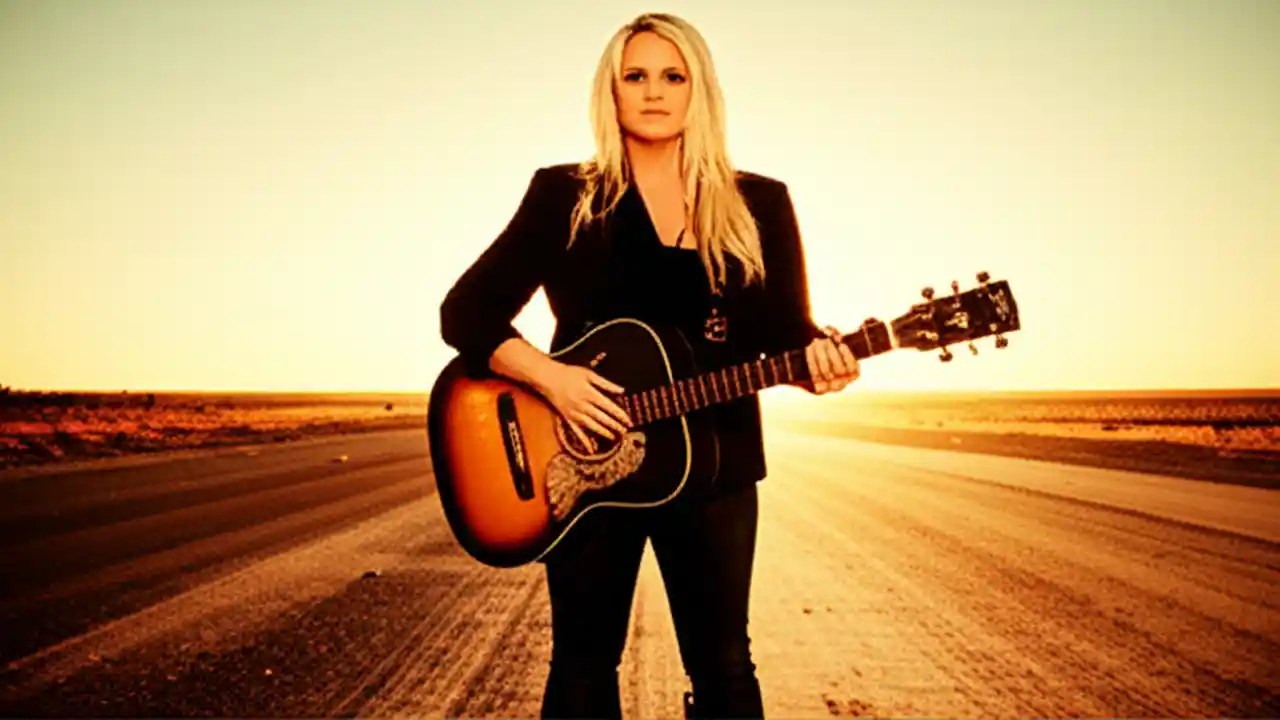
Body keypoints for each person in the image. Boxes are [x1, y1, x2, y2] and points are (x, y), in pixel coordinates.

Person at [439, 12, 860, 719]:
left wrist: (822, 360)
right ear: (611, 92)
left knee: (726, 665)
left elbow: (786, 332)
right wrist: (553, 379)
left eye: (674, 76)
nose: (655, 92)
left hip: (715, 468)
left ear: (702, 90)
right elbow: (466, 313)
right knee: (583, 660)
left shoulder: (759, 202)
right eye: (636, 76)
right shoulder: (565, 195)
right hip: (586, 466)